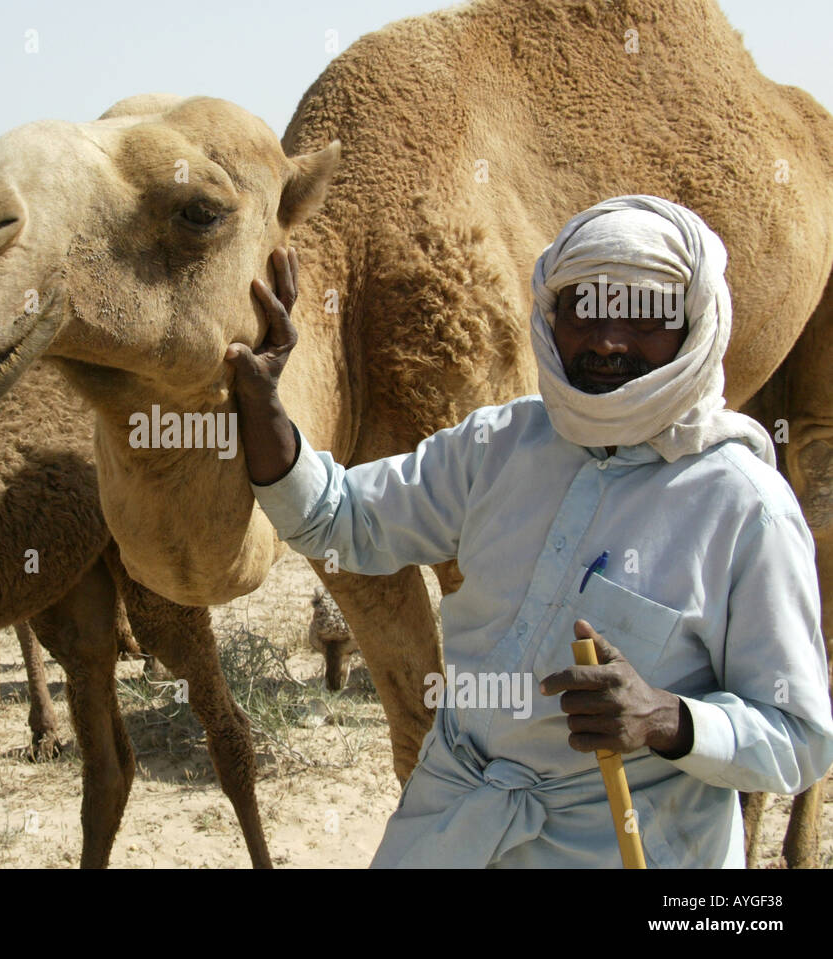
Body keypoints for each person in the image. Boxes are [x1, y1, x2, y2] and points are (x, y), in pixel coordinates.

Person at [224, 195, 833, 867]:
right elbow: (339, 518)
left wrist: (667, 718)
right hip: (450, 830)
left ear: (693, 322)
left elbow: (799, 736)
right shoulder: (500, 445)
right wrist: (262, 401)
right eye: (586, 307)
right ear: (552, 315)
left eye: (642, 312)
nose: (607, 338)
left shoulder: (746, 510)